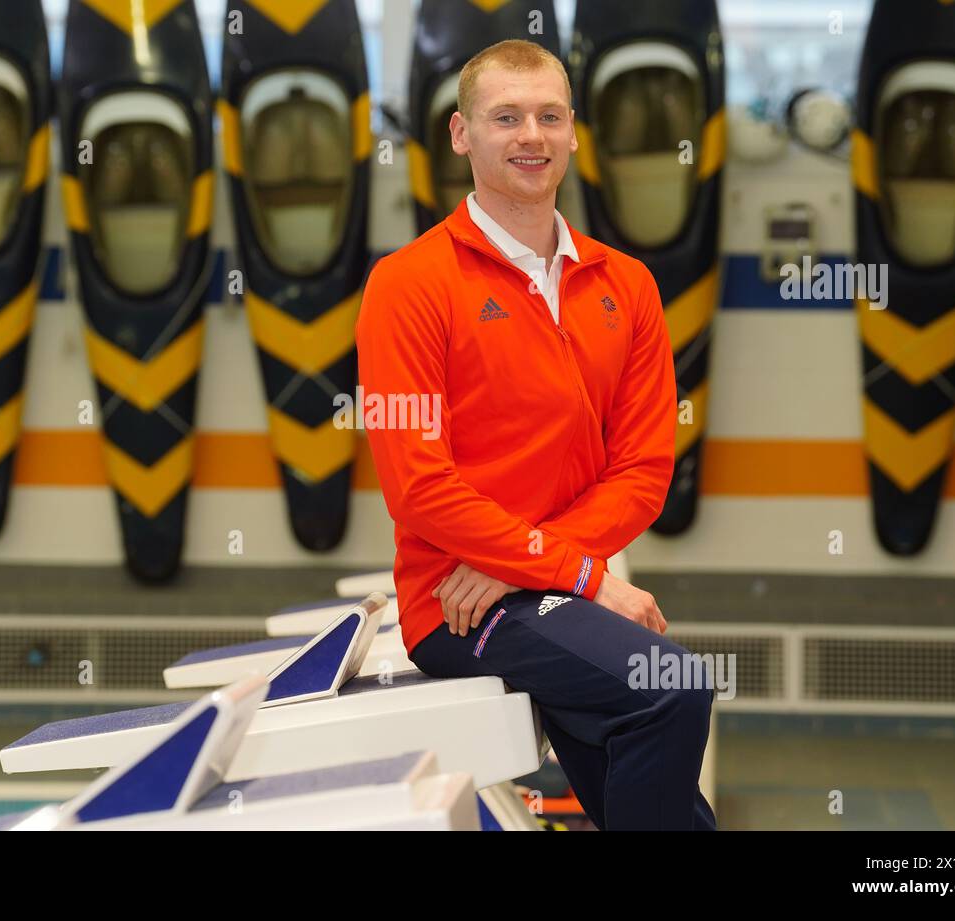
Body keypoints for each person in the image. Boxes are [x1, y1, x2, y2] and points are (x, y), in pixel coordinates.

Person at [356, 39, 716, 830]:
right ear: (461, 135)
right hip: (455, 606)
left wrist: (537, 568)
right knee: (673, 684)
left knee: (662, 801)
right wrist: (577, 575)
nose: (532, 136)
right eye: (506, 117)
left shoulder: (628, 285)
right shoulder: (407, 285)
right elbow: (418, 486)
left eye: (551, 116)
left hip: (526, 585)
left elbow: (644, 470)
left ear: (575, 132)